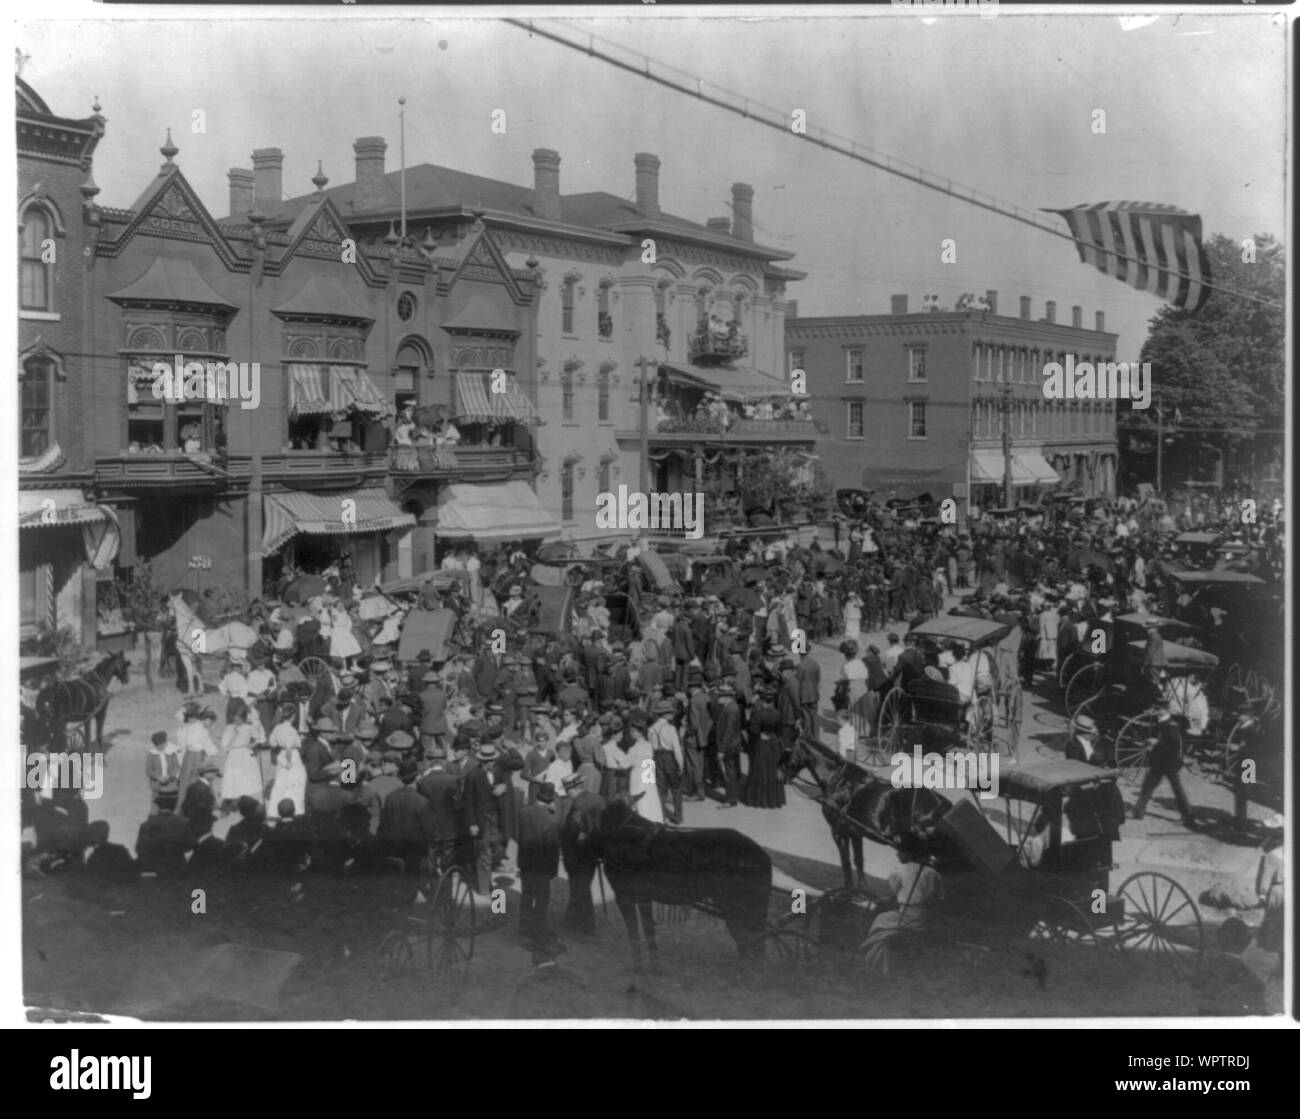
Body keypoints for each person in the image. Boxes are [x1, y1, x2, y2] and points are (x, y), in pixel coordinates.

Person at [859, 841, 944, 975]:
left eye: (900, 851)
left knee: (880, 918)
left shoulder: (899, 870)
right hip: (924, 916)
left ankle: (869, 948)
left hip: (907, 916)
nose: (897, 854)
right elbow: (939, 897)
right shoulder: (933, 873)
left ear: (908, 854)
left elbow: (894, 892)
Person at [517, 781, 562, 948]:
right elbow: (553, 848)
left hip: (526, 862)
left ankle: (524, 927)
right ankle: (537, 930)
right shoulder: (551, 820)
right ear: (551, 800)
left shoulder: (523, 812)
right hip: (543, 865)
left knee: (526, 895)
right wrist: (553, 871)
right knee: (542, 898)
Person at [558, 771, 604, 936]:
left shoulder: (577, 805)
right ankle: (571, 919)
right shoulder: (598, 798)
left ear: (573, 788)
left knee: (580, 888)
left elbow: (573, 831)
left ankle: (586, 925)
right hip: (595, 852)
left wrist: (567, 843)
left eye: (567, 789)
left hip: (579, 854)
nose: (566, 792)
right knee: (582, 886)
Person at [1131, 710, 1195, 828]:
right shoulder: (1163, 726)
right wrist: (1152, 747)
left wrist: (1156, 743)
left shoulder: (1171, 728)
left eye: (1160, 717)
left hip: (1170, 764)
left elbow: (1174, 747)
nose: (1158, 719)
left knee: (1177, 790)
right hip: (1160, 763)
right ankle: (1138, 813)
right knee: (1147, 787)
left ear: (1165, 718)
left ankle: (1189, 817)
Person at [219, 700, 265, 814]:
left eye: (239, 720)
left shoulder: (248, 727)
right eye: (235, 719)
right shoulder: (229, 728)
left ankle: (246, 802)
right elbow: (225, 745)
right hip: (234, 755)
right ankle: (233, 802)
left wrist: (252, 745)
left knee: (246, 777)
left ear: (244, 719)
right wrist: (234, 735)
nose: (236, 721)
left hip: (245, 753)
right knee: (234, 777)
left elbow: (260, 738)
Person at [135, 793, 194, 877]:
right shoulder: (183, 823)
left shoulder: (147, 825)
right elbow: (190, 845)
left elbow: (139, 848)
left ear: (159, 806)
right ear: (174, 806)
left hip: (155, 869)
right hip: (178, 867)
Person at [267, 704, 307, 816]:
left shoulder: (277, 728)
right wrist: (289, 761)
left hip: (281, 754)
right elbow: (289, 747)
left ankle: (276, 810)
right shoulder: (291, 730)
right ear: (293, 716)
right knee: (295, 782)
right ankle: (296, 810)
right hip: (292, 756)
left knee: (281, 782)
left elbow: (272, 743)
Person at [648, 699, 683, 825]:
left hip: (657, 757)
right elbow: (677, 749)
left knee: (660, 789)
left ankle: (661, 815)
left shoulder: (651, 729)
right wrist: (680, 765)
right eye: (670, 712)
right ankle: (678, 816)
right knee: (676, 788)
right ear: (666, 713)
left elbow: (651, 748)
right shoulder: (671, 728)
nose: (672, 714)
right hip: (669, 758)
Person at [145, 730, 181, 815]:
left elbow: (176, 767)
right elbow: (148, 770)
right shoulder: (152, 754)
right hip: (157, 784)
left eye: (161, 744)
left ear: (165, 742)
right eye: (157, 745)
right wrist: (158, 777)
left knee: (171, 807)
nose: (159, 747)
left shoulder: (172, 752)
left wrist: (169, 776)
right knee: (155, 807)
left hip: (171, 784)